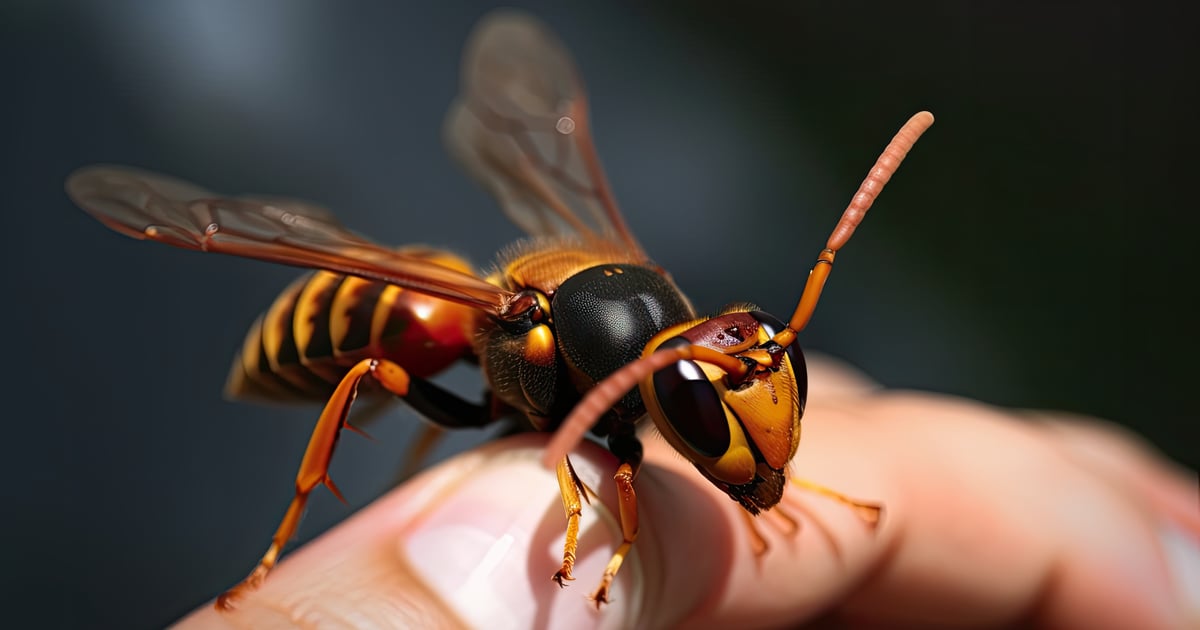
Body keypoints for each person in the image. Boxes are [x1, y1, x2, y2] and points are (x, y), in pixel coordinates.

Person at [177, 355, 1198, 629]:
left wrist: (780, 477)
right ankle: (283, 541)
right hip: (377, 320)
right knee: (378, 367)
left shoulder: (648, 384)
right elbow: (587, 451)